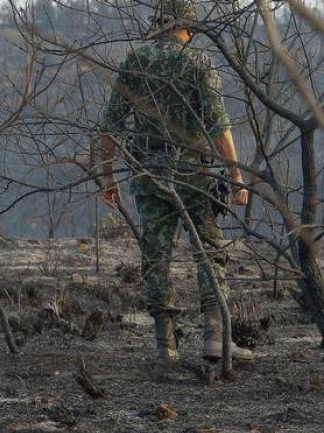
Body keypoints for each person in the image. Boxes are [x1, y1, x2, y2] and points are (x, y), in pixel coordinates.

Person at [98, 0, 253, 364]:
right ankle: (216, 337)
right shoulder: (199, 62)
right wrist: (235, 176)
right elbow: (219, 127)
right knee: (210, 251)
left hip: (148, 175)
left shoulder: (136, 60)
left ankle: (164, 346)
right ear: (188, 26)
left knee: (156, 256)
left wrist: (107, 177)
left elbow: (109, 128)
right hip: (193, 174)